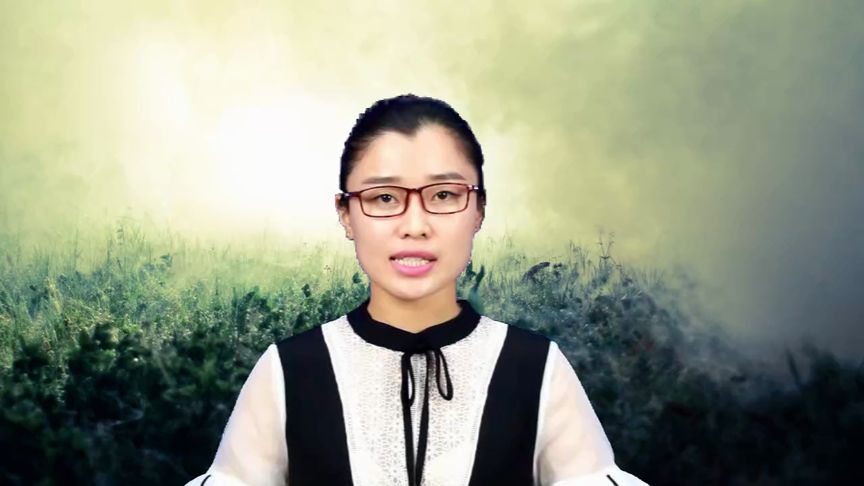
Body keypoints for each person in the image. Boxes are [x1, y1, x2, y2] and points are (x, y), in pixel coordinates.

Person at [184, 94, 649, 486]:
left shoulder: (535, 366)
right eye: (384, 197)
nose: (414, 225)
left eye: (443, 195)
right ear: (346, 214)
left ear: (479, 209)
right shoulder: (288, 370)